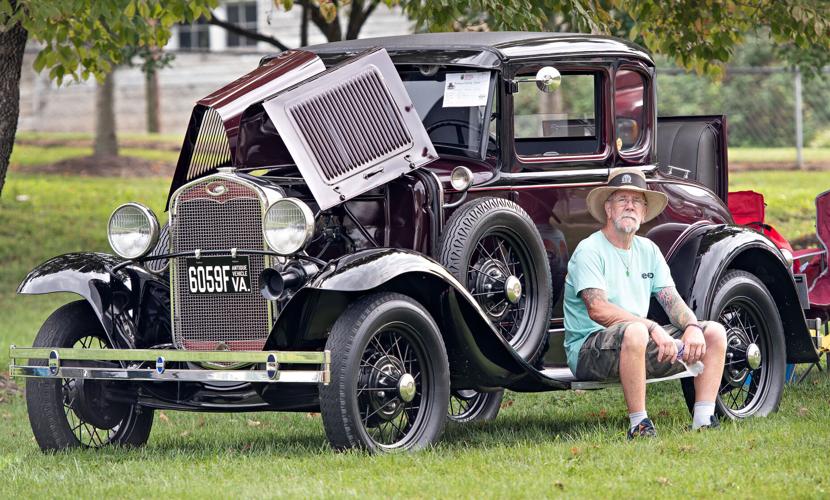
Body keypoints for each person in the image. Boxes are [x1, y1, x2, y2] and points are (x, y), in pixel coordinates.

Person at [563, 167, 727, 438]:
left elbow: (671, 300)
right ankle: (639, 425)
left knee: (713, 333)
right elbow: (598, 309)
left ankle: (703, 419)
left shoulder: (648, 249)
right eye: (622, 200)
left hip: (636, 342)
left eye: (637, 201)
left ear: (643, 210)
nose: (630, 206)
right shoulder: (589, 250)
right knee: (636, 330)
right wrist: (652, 328)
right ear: (608, 208)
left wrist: (693, 326)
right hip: (588, 350)